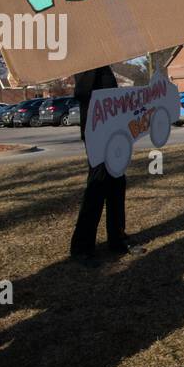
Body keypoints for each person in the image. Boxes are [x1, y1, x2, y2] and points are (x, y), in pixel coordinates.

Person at [69, 65, 145, 265]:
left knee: (117, 183)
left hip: (112, 131)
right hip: (97, 132)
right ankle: (81, 247)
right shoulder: (88, 61)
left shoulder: (104, 64)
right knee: (98, 185)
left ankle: (117, 238)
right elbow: (82, 93)